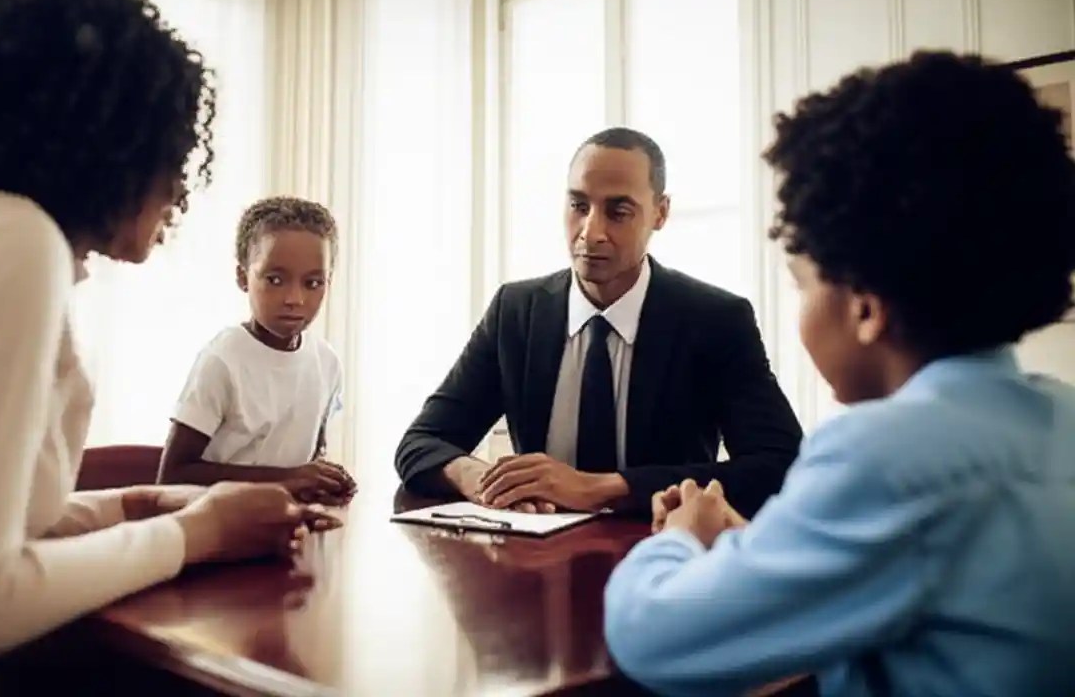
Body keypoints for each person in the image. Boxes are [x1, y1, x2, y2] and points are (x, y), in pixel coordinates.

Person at [0, 0, 337, 696]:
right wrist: (196, 535)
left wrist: (126, 507)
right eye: (169, 143)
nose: (180, 180)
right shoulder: (7, 244)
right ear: (106, 136)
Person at [604, 51, 1075, 697]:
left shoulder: (886, 457)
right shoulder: (1059, 422)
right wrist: (753, 549)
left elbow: (646, 633)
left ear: (865, 307)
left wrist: (681, 542)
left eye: (802, 285)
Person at [395, 127, 802, 516]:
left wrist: (600, 488)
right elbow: (421, 442)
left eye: (618, 211)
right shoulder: (515, 311)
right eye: (578, 206)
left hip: (661, 557)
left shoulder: (715, 320)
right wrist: (483, 478)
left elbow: (779, 466)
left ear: (660, 213)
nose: (591, 232)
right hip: (535, 562)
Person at [157, 197, 356, 505]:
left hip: (283, 527)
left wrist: (323, 481)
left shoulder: (326, 363)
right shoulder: (222, 361)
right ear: (243, 277)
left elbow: (311, 458)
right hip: (213, 532)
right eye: (275, 280)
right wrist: (288, 480)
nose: (295, 298)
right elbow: (172, 475)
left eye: (313, 283)